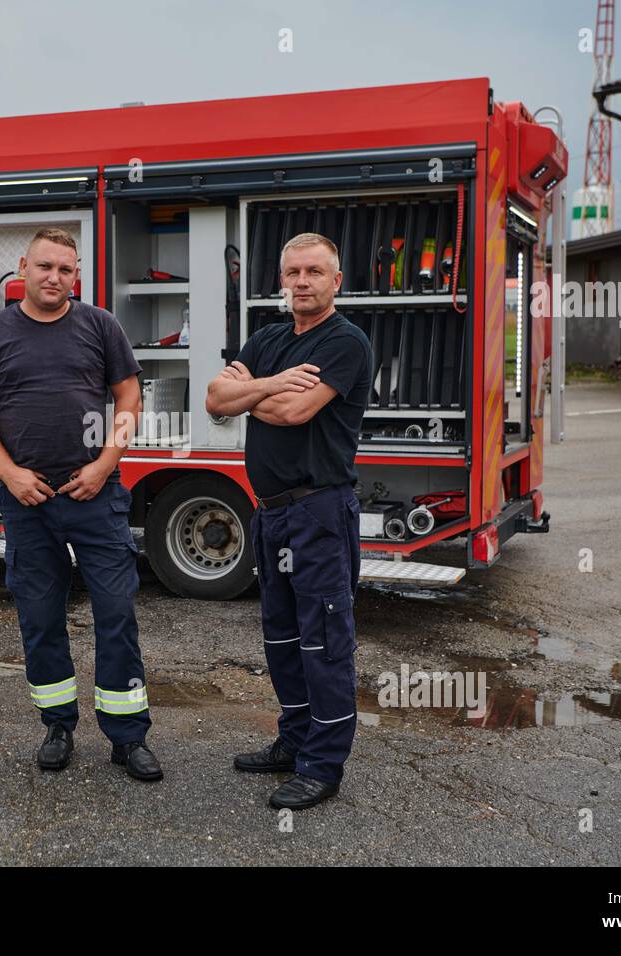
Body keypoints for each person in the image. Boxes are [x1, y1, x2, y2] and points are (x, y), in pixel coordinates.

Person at [0, 228, 162, 782]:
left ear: (77, 275)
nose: (54, 278)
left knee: (116, 614)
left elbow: (129, 397)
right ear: (23, 266)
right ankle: (57, 725)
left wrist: (103, 465)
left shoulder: (100, 326)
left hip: (94, 495)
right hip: (28, 500)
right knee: (40, 618)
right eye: (45, 266)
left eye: (65, 270)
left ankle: (127, 736)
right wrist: (10, 475)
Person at [205, 232, 372, 809]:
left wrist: (249, 392)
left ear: (335, 281)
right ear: (281, 280)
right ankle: (294, 740)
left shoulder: (347, 342)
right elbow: (213, 399)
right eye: (292, 272)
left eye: (314, 272)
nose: (302, 281)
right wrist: (271, 383)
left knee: (324, 640)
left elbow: (296, 411)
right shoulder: (270, 339)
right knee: (280, 635)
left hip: (319, 511)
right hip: (270, 514)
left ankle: (323, 765)